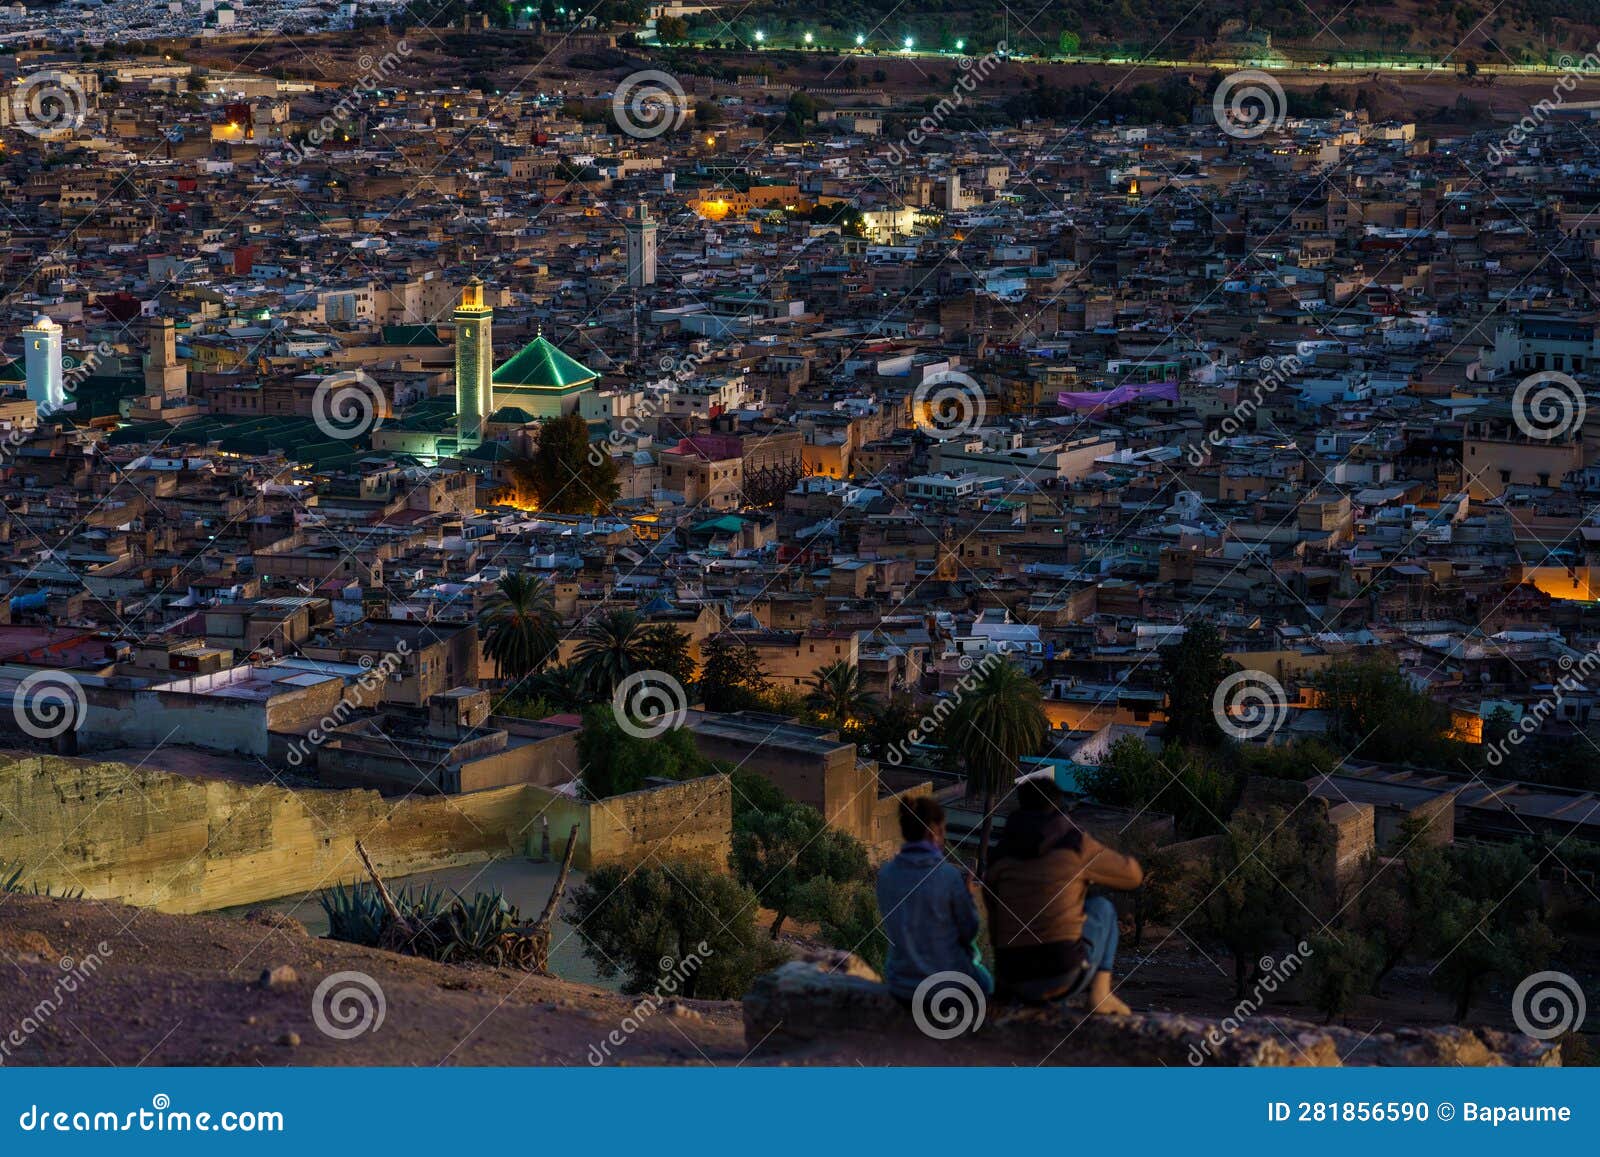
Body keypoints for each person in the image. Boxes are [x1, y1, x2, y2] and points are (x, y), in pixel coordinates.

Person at [984, 773, 1143, 1015]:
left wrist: (1001, 989)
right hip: (1061, 975)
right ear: (1058, 808)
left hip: (1014, 978)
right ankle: (1100, 995)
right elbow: (1133, 876)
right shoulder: (1073, 843)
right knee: (1101, 907)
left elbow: (995, 923)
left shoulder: (1000, 855)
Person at [874, 796, 993, 1002]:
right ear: (933, 832)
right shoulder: (949, 876)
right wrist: (968, 898)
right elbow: (969, 930)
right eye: (943, 830)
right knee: (985, 982)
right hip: (946, 987)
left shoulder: (886, 874)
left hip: (900, 984)